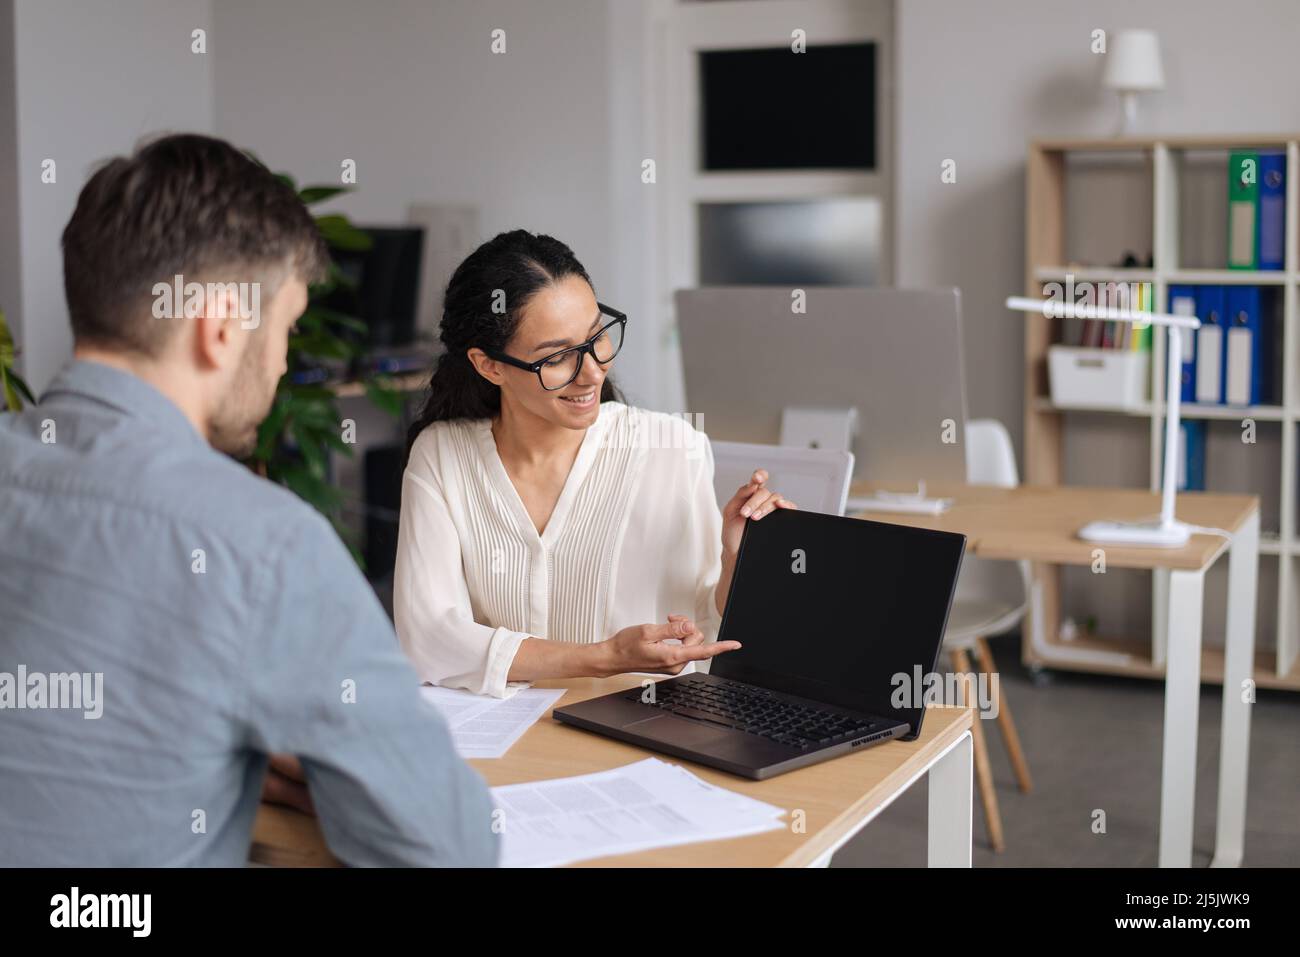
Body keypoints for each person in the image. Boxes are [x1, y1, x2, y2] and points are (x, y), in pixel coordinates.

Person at [0, 133, 497, 866]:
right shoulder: (262, 544)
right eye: (286, 328)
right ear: (222, 328)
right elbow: (447, 846)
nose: (286, 359)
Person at [394, 229, 796, 698]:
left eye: (596, 337)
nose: (592, 372)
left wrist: (738, 560)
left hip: (644, 730)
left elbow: (709, 624)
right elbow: (428, 639)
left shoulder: (672, 446)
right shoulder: (443, 456)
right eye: (558, 357)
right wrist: (605, 658)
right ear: (490, 366)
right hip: (507, 744)